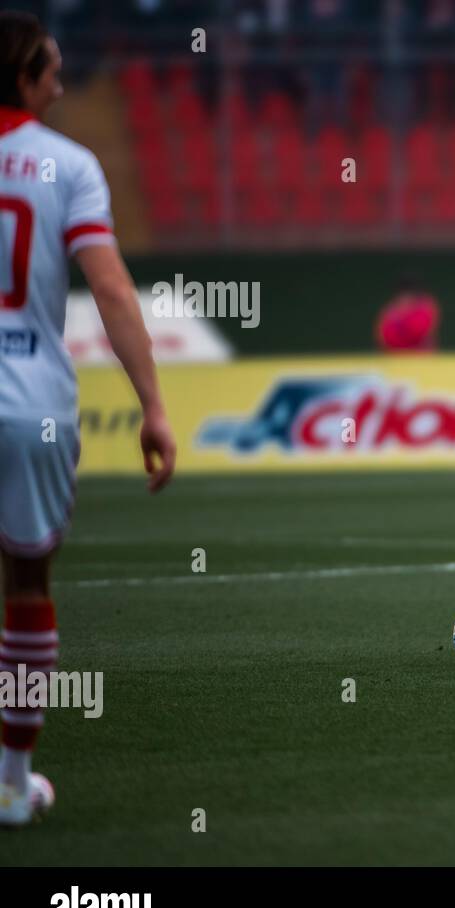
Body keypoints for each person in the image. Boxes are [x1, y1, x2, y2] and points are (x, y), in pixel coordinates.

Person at [0, 12, 176, 826]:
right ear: (26, 76)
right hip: (28, 398)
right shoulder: (67, 165)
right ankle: (12, 780)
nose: (63, 85)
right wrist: (153, 405)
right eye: (53, 71)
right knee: (28, 582)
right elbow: (108, 290)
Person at [375, 275, 439, 352]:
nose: (406, 298)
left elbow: (422, 333)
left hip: (420, 354)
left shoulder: (426, 306)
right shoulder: (391, 309)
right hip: (395, 354)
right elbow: (382, 336)